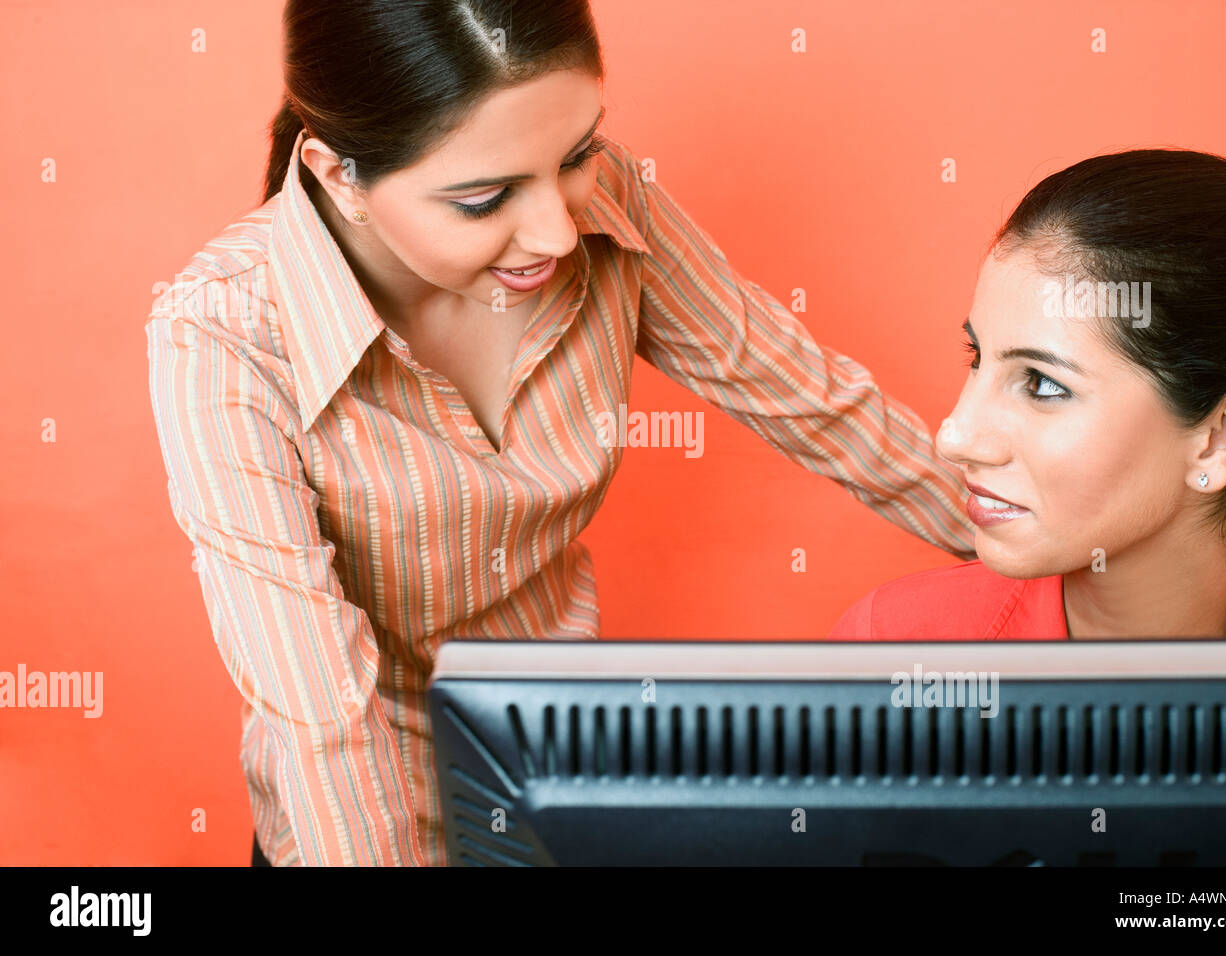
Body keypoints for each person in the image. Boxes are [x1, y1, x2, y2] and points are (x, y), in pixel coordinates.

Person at [145, 0, 976, 866]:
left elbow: (811, 402)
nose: (556, 229)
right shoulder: (222, 329)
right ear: (339, 174)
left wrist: (1052, 544)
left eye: (575, 155)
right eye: (483, 199)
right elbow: (321, 711)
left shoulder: (609, 203)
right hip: (351, 829)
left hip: (561, 792)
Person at [830, 150, 1226, 640]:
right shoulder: (890, 648)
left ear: (1222, 437)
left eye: (1043, 383)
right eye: (977, 357)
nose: (955, 437)